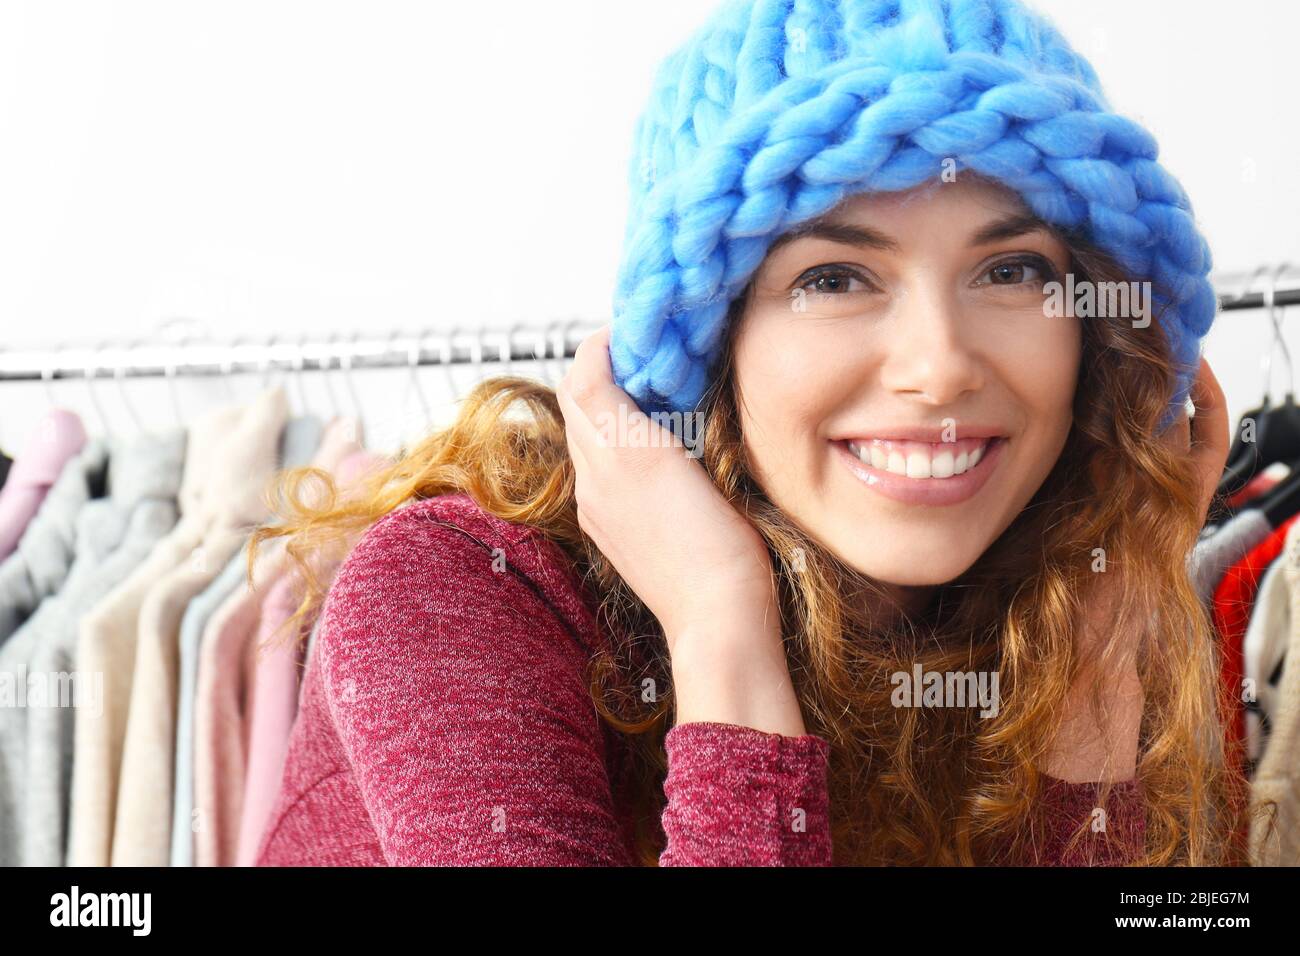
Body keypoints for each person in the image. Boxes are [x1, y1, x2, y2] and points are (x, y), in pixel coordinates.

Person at [251, 0, 1248, 866]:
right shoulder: (462, 592)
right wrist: (722, 635)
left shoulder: (1058, 600)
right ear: (709, 339)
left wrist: (1103, 646)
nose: (941, 364)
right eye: (832, 278)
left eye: (1012, 271)